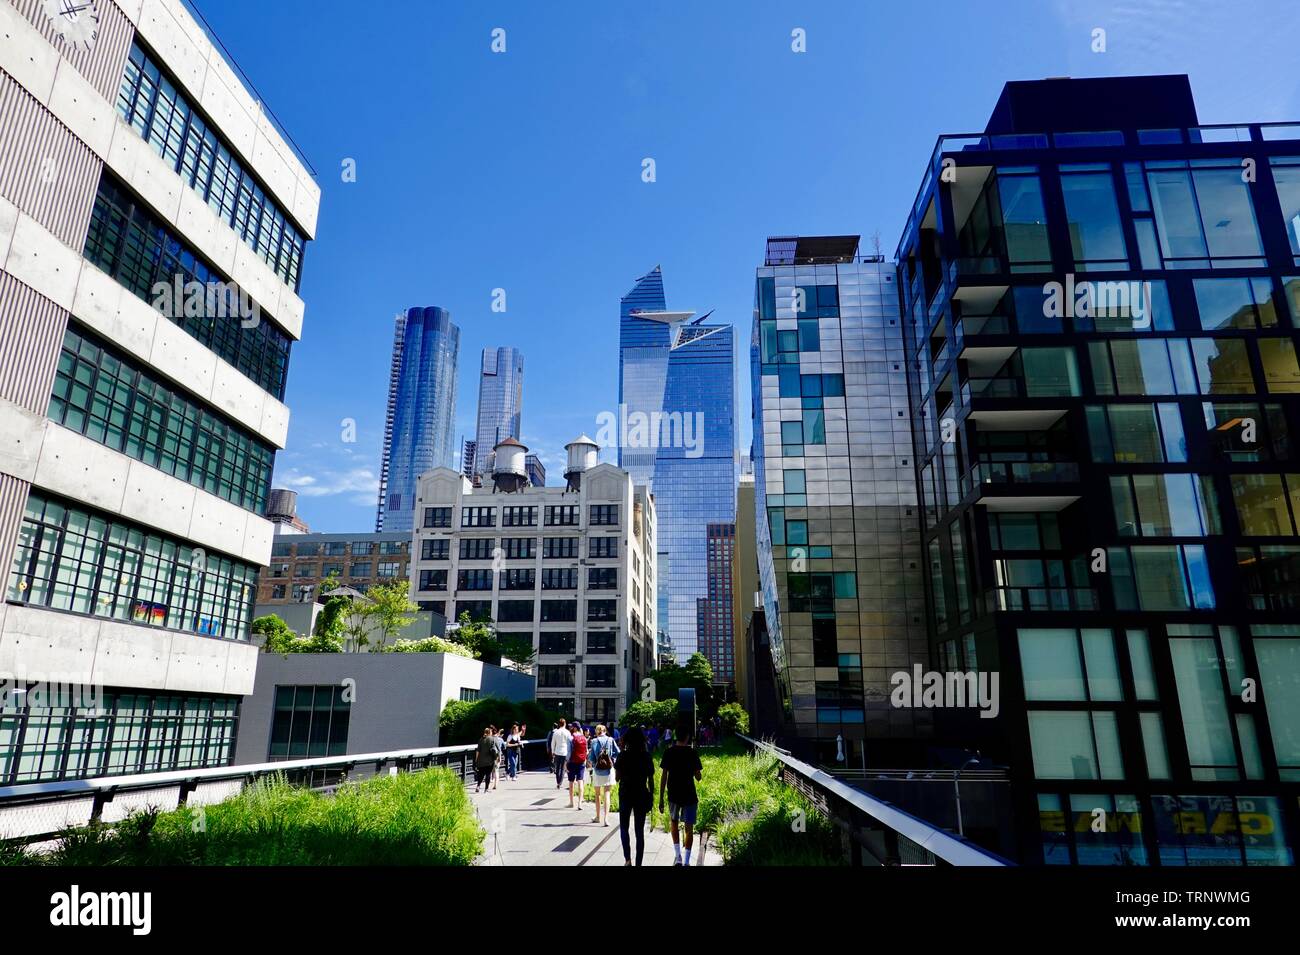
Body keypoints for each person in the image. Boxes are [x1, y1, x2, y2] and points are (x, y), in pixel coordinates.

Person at [659, 727, 703, 866]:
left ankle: (677, 856)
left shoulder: (668, 752)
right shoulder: (692, 753)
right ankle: (687, 861)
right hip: (689, 794)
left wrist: (660, 797)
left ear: (676, 736)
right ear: (687, 737)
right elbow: (698, 777)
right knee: (689, 828)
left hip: (673, 793)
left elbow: (664, 776)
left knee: (674, 822)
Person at [615, 727, 655, 865]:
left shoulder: (623, 756)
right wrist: (652, 795)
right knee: (639, 831)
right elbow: (651, 780)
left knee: (624, 828)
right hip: (641, 794)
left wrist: (621, 752)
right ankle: (639, 862)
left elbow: (616, 778)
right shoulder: (646, 756)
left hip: (625, 794)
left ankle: (627, 859)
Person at [587, 724, 619, 826]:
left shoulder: (594, 741)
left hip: (597, 770)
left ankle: (597, 817)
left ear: (597, 731)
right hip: (609, 770)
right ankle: (606, 819)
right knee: (607, 794)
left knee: (597, 795)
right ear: (605, 730)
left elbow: (591, 758)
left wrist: (594, 761)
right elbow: (618, 752)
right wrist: (611, 759)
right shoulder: (610, 740)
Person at [567, 722, 588, 809]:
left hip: (572, 761)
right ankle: (580, 803)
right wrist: (585, 760)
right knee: (580, 781)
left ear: (575, 728)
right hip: (581, 762)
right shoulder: (584, 738)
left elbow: (568, 752)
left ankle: (572, 802)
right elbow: (586, 751)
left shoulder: (571, 738)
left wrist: (566, 763)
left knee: (571, 782)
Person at [548, 718, 571, 789]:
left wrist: (553, 752)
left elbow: (553, 743)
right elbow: (569, 743)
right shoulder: (567, 732)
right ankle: (560, 782)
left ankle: (558, 781)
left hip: (557, 751)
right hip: (565, 752)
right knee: (563, 768)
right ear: (565, 724)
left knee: (557, 768)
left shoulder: (556, 732)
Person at [473, 727, 497, 793]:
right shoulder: (492, 739)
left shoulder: (480, 739)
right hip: (489, 761)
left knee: (481, 774)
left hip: (481, 761)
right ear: (489, 732)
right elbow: (493, 749)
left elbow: (478, 751)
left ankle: (478, 786)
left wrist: (476, 760)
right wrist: (495, 757)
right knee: (488, 775)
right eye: (491, 732)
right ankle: (486, 789)